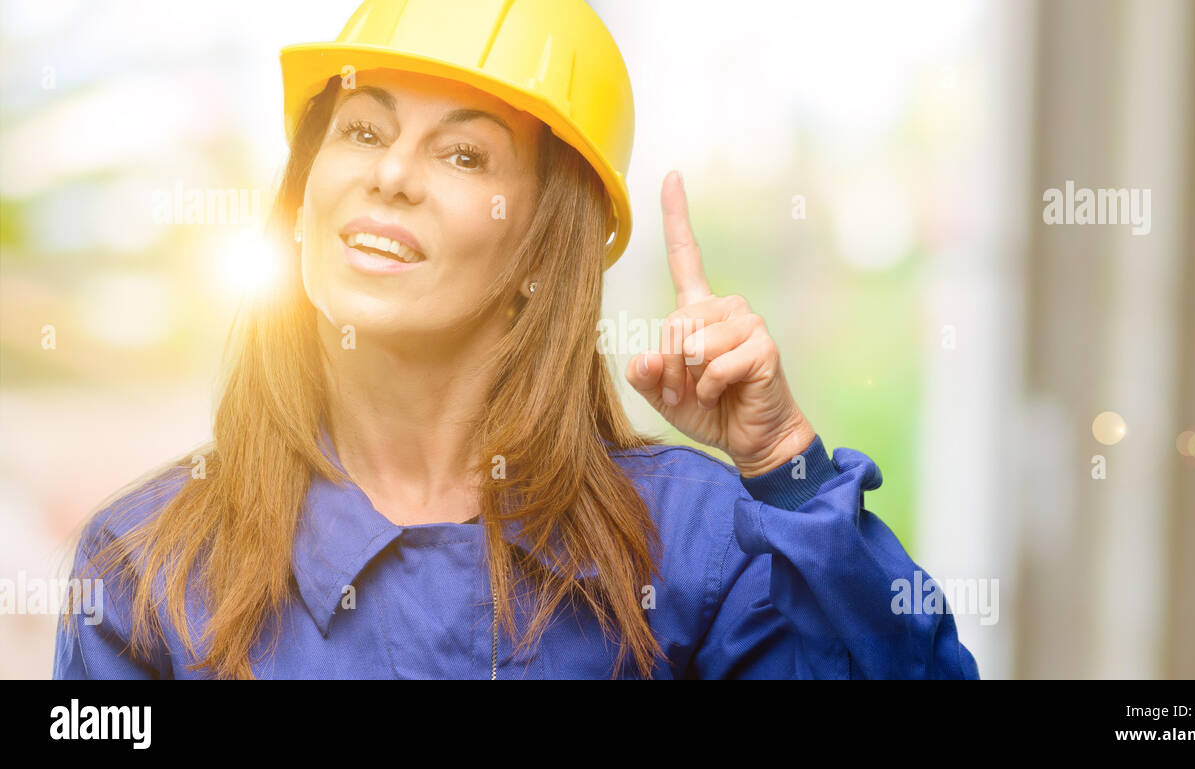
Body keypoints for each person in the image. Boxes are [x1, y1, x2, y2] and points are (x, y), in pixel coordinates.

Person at [54, 0, 979, 679]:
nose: (391, 175)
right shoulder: (147, 567)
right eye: (363, 128)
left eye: (464, 154)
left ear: (545, 245)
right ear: (301, 204)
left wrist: (787, 465)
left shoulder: (695, 549)